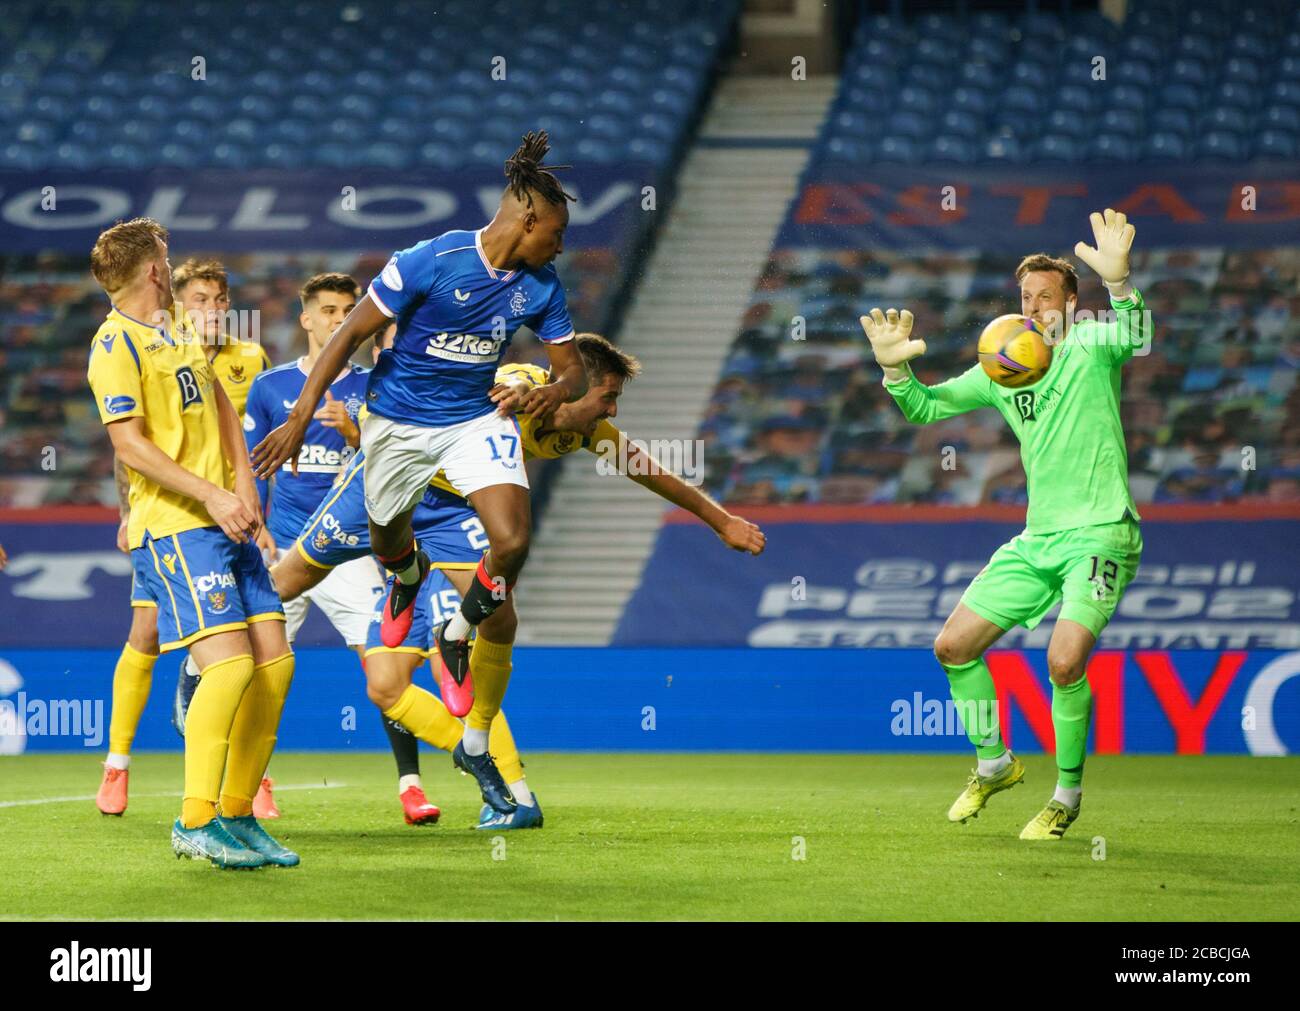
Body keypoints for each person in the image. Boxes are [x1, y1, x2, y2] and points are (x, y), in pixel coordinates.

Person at [251, 132, 588, 726]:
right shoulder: (428, 260)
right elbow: (350, 334)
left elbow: (573, 373)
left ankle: (457, 634)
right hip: (397, 423)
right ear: (528, 219)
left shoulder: (541, 287)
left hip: (474, 420)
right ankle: (408, 579)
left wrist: (545, 390)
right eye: (556, 234)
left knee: (512, 542)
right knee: (387, 541)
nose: (560, 248)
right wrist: (301, 415)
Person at [860, 208, 1147, 841]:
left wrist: (1121, 286)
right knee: (953, 647)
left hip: (1101, 530)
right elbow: (925, 407)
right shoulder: (1002, 366)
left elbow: (1140, 336)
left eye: (1046, 296)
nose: (1034, 305)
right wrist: (894, 369)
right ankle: (994, 764)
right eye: (1025, 296)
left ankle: (1066, 797)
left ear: (1072, 303)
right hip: (1039, 537)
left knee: (1065, 661)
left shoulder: (1093, 343)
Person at [86, 217, 295, 868]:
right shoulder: (112, 343)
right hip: (177, 526)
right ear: (153, 270)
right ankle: (195, 820)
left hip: (229, 515)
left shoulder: (179, 329)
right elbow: (128, 443)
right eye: (167, 259)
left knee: (274, 665)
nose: (172, 269)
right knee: (229, 665)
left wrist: (244, 486)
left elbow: (222, 408)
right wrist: (209, 494)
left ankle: (237, 815)